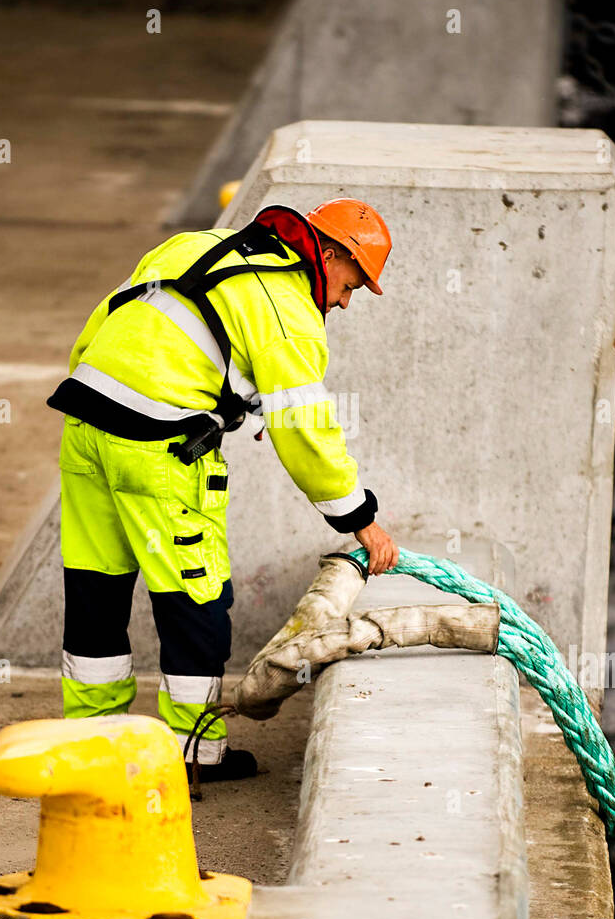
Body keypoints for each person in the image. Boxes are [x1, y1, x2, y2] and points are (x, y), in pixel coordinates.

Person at [47, 199, 400, 780]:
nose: (343, 300)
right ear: (330, 253)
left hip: (85, 425)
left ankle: (94, 744)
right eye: (351, 284)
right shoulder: (289, 311)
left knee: (95, 591)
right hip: (158, 451)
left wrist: (226, 400)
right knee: (196, 601)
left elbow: (110, 325)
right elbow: (307, 436)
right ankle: (194, 753)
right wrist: (362, 519)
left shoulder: (200, 244)